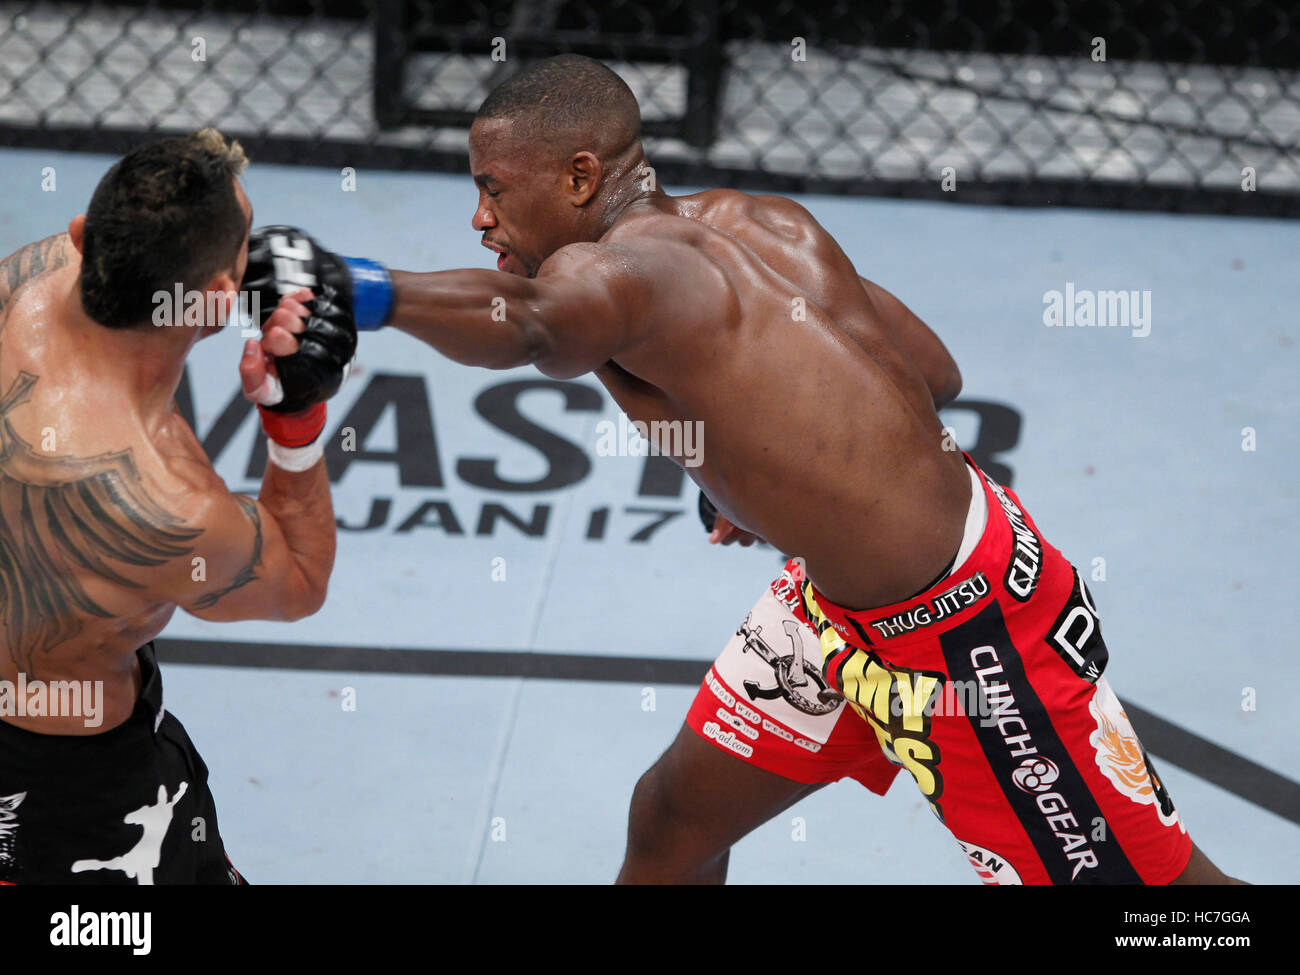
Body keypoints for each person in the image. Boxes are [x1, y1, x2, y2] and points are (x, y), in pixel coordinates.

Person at [243, 55, 1240, 884]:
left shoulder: (615, 272)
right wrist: (756, 456)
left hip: (970, 647)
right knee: (675, 818)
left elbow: (540, 327)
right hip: (843, 609)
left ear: (581, 176)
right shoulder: (766, 221)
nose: (479, 220)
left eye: (493, 190)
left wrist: (360, 290)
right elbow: (932, 371)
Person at [0, 128, 353, 884]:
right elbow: (298, 584)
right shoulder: (166, 505)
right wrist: (294, 422)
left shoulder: (25, 276)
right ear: (224, 298)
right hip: (74, 786)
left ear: (83, 234)